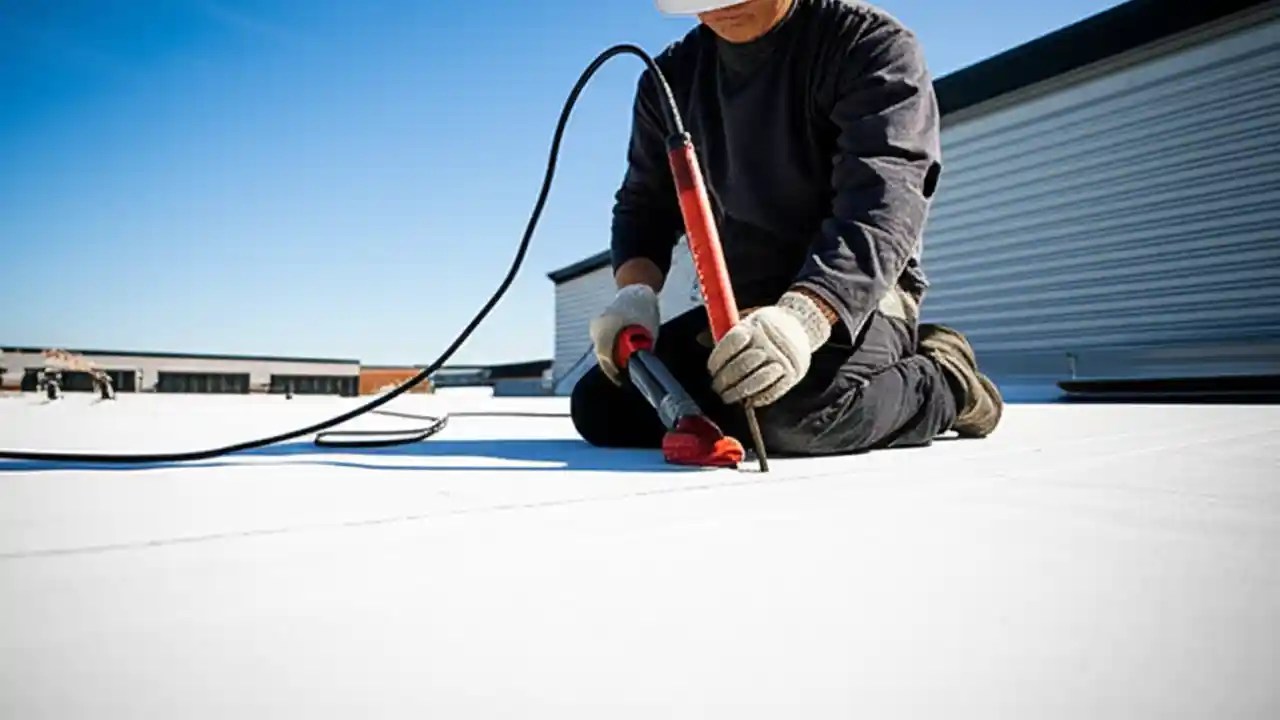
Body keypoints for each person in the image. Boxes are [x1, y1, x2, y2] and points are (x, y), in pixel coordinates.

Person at [571, 0, 1003, 457]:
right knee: (604, 405)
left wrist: (804, 317)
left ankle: (946, 378)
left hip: (857, 298)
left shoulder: (870, 46)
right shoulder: (670, 81)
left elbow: (881, 208)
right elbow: (645, 206)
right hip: (741, 312)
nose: (721, 7)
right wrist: (634, 295)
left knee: (797, 420)